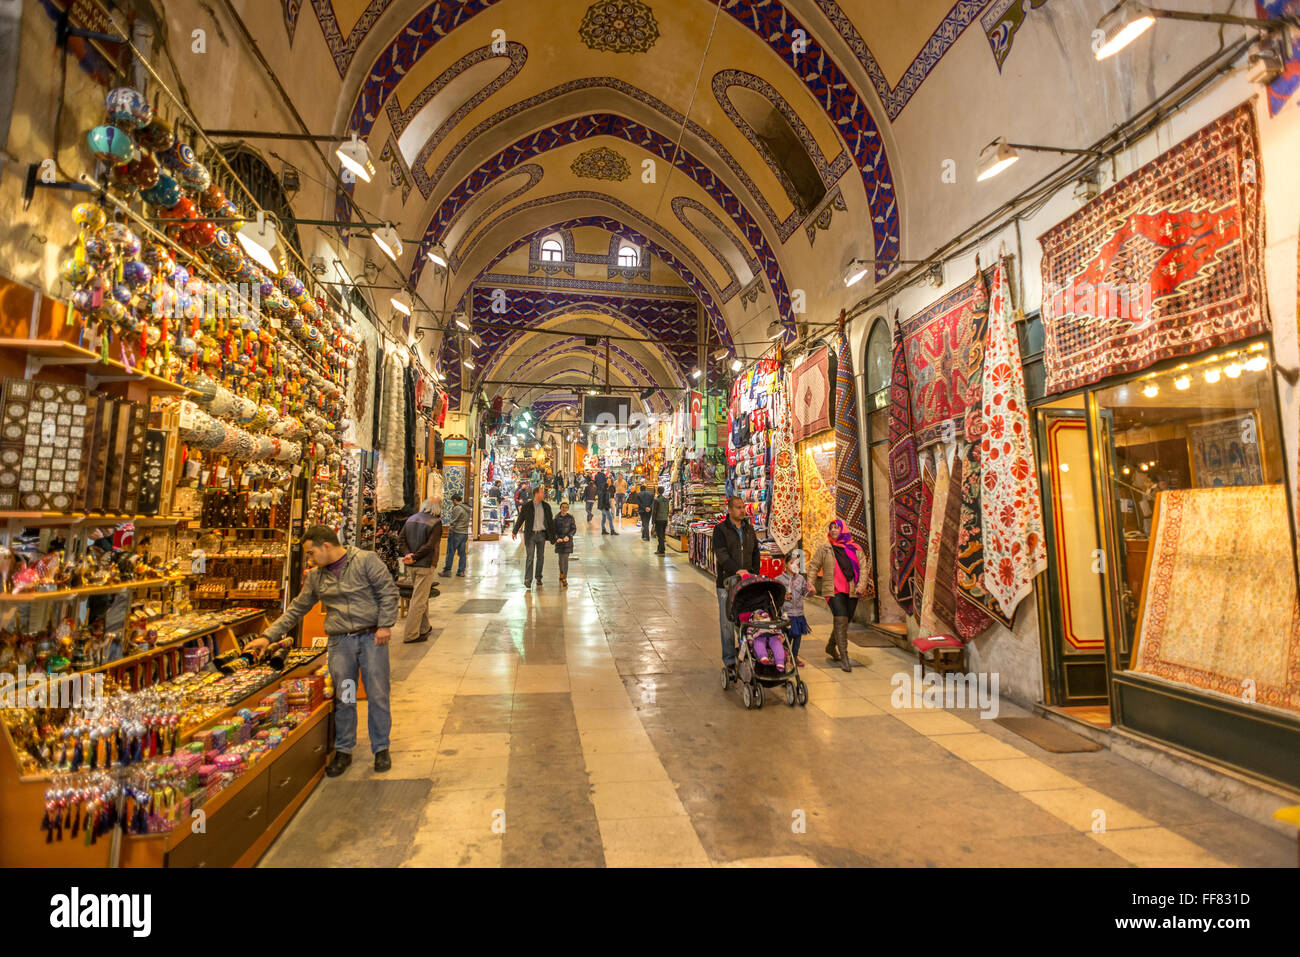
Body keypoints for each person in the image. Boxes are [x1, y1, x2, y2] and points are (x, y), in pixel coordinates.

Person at [246, 526, 398, 776]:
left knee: (377, 694)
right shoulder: (317, 576)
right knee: (345, 696)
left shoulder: (364, 561)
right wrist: (267, 636)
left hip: (372, 639)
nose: (310, 559)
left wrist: (385, 625)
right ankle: (344, 749)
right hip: (341, 644)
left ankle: (381, 748)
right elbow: (298, 608)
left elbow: (387, 592)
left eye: (311, 553)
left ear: (325, 546)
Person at [807, 519, 869, 672]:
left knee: (844, 622)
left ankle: (830, 646)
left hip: (852, 590)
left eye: (836, 527)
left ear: (843, 530)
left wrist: (861, 585)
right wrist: (810, 583)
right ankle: (844, 657)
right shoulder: (825, 548)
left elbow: (863, 569)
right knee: (840, 619)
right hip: (833, 590)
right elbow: (814, 566)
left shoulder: (855, 549)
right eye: (831, 528)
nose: (834, 530)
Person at [712, 496, 759, 673]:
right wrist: (736, 570)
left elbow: (755, 551)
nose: (742, 510)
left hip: (746, 582)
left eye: (743, 507)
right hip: (726, 582)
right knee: (727, 623)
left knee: (745, 620)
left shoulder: (749, 529)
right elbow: (721, 554)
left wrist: (754, 572)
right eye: (738, 508)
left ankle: (745, 655)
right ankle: (730, 660)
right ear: (730, 510)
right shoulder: (720, 530)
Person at [399, 497, 442, 643]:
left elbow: (401, 539)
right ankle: (411, 634)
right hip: (425, 564)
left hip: (411, 565)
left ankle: (424, 628)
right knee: (419, 600)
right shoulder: (435, 523)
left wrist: (408, 555)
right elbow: (430, 545)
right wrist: (416, 557)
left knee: (421, 597)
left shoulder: (411, 519)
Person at [775, 549, 814, 669]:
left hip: (799, 613)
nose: (794, 566)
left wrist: (811, 592)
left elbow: (805, 594)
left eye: (797, 563)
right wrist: (782, 597)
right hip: (786, 614)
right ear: (785, 564)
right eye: (791, 563)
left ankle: (794, 657)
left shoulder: (800, 579)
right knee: (787, 638)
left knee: (798, 637)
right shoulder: (779, 580)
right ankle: (785, 656)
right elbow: (775, 599)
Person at [512, 485, 555, 589]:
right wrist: (515, 531)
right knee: (530, 557)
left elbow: (550, 521)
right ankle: (528, 579)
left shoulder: (546, 506)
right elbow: (521, 518)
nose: (543, 494)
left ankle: (538, 577)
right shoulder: (527, 506)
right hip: (530, 535)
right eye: (542, 493)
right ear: (536, 494)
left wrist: (554, 535)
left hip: (541, 535)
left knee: (541, 558)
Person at [440, 492, 471, 578]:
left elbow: (454, 521)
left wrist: (450, 528)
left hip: (456, 532)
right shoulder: (467, 508)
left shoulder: (457, 508)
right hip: (464, 533)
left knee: (450, 552)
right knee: (462, 553)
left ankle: (447, 570)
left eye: (452, 501)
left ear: (454, 500)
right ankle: (461, 571)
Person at [553, 500, 577, 587]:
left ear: (568, 509)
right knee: (561, 560)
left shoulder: (570, 518)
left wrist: (569, 536)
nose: (564, 509)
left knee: (565, 560)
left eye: (566, 507)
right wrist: (557, 538)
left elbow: (573, 529)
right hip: (559, 542)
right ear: (560, 508)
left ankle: (564, 578)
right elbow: (553, 530)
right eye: (563, 507)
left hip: (567, 542)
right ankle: (561, 573)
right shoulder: (556, 518)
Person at [652, 486, 671, 554]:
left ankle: (661, 550)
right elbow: (668, 510)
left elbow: (654, 511)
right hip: (665, 519)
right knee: (662, 535)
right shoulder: (666, 500)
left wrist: (653, 522)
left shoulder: (656, 500)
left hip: (658, 519)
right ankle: (661, 548)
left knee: (659, 535)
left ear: (657, 491)